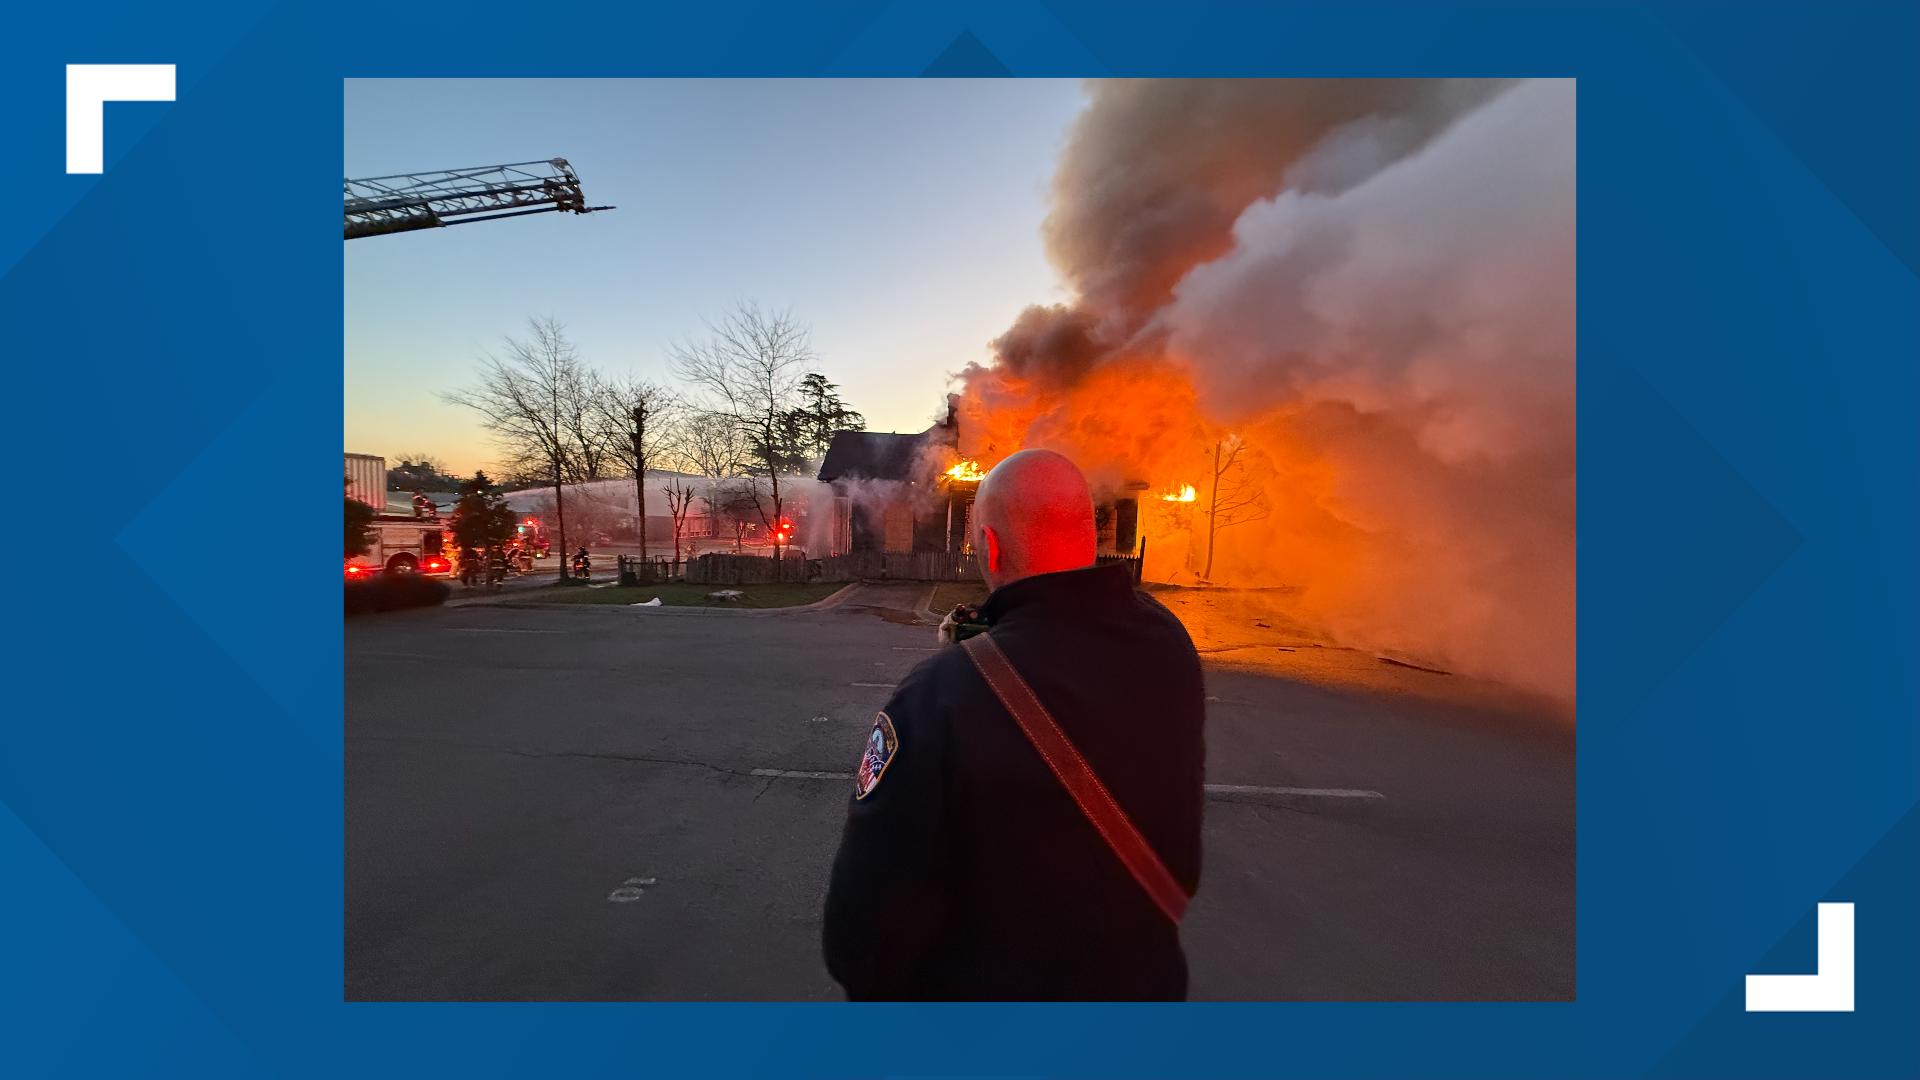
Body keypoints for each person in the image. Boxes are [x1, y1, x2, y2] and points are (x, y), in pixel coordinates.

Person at [822, 449, 1206, 1000]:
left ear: (992, 546)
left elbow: (859, 943)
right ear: (1090, 534)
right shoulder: (1169, 646)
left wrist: (964, 667)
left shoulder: (938, 698)